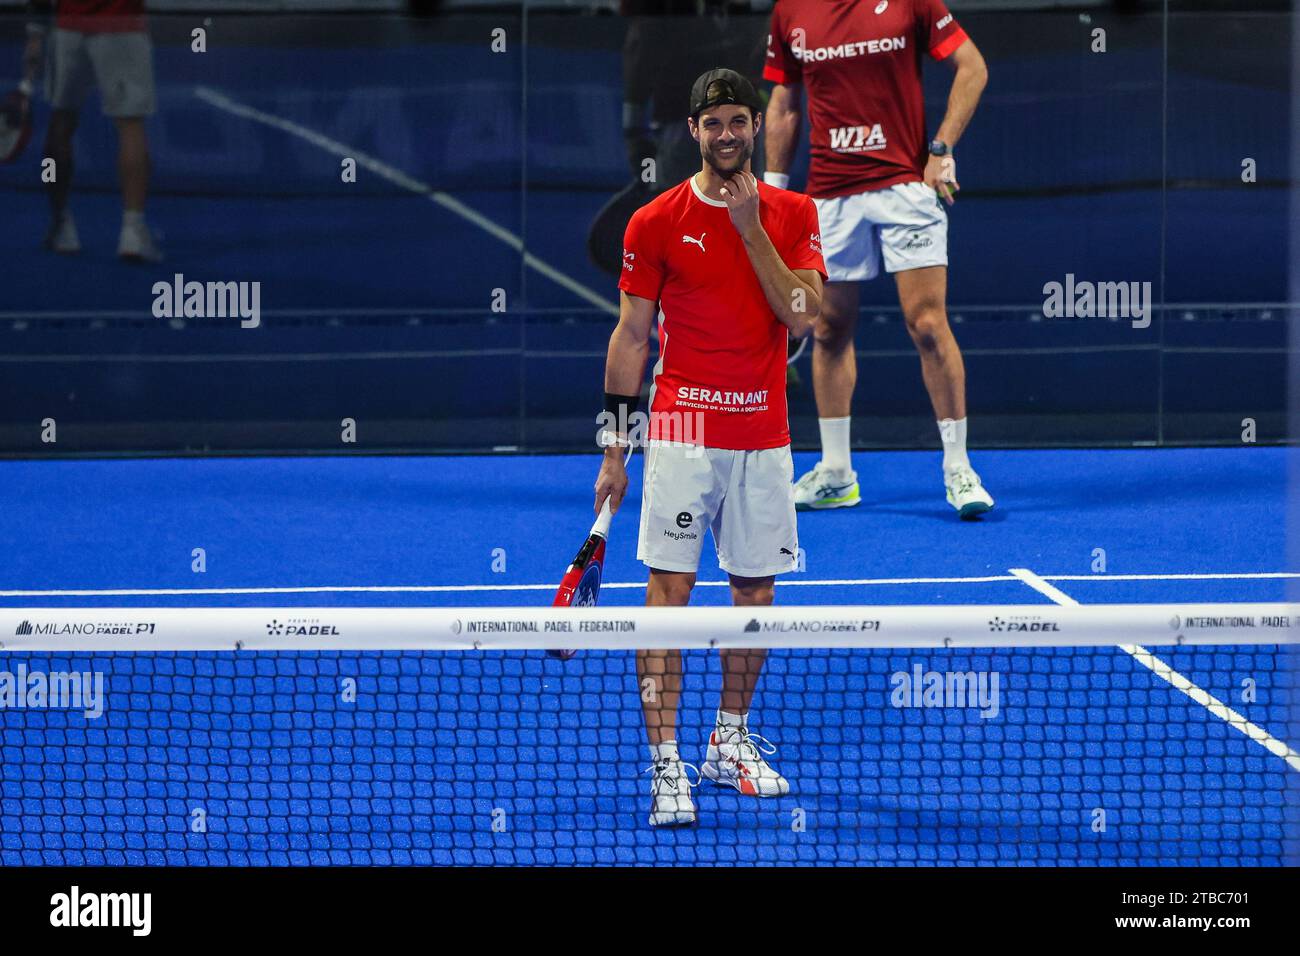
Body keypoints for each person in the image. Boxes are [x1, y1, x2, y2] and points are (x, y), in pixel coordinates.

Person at [594, 68, 826, 827]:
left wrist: (751, 227)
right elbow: (631, 336)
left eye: (739, 121)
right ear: (692, 131)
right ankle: (667, 765)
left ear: (755, 126)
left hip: (763, 432)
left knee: (754, 594)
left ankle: (727, 741)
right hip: (683, 431)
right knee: (669, 602)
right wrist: (613, 448)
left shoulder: (792, 213)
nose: (727, 135)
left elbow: (801, 318)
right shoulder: (654, 221)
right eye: (713, 123)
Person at [763, 0, 993, 517]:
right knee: (827, 328)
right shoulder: (790, 11)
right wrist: (774, 190)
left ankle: (958, 468)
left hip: (904, 187)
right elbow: (784, 101)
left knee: (928, 325)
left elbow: (972, 67)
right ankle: (838, 474)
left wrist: (942, 149)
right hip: (830, 194)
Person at [25, 0, 162, 261]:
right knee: (130, 126)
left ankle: (61, 225)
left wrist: (35, 34)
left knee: (61, 122)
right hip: (123, 27)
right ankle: (132, 232)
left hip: (67, 30)